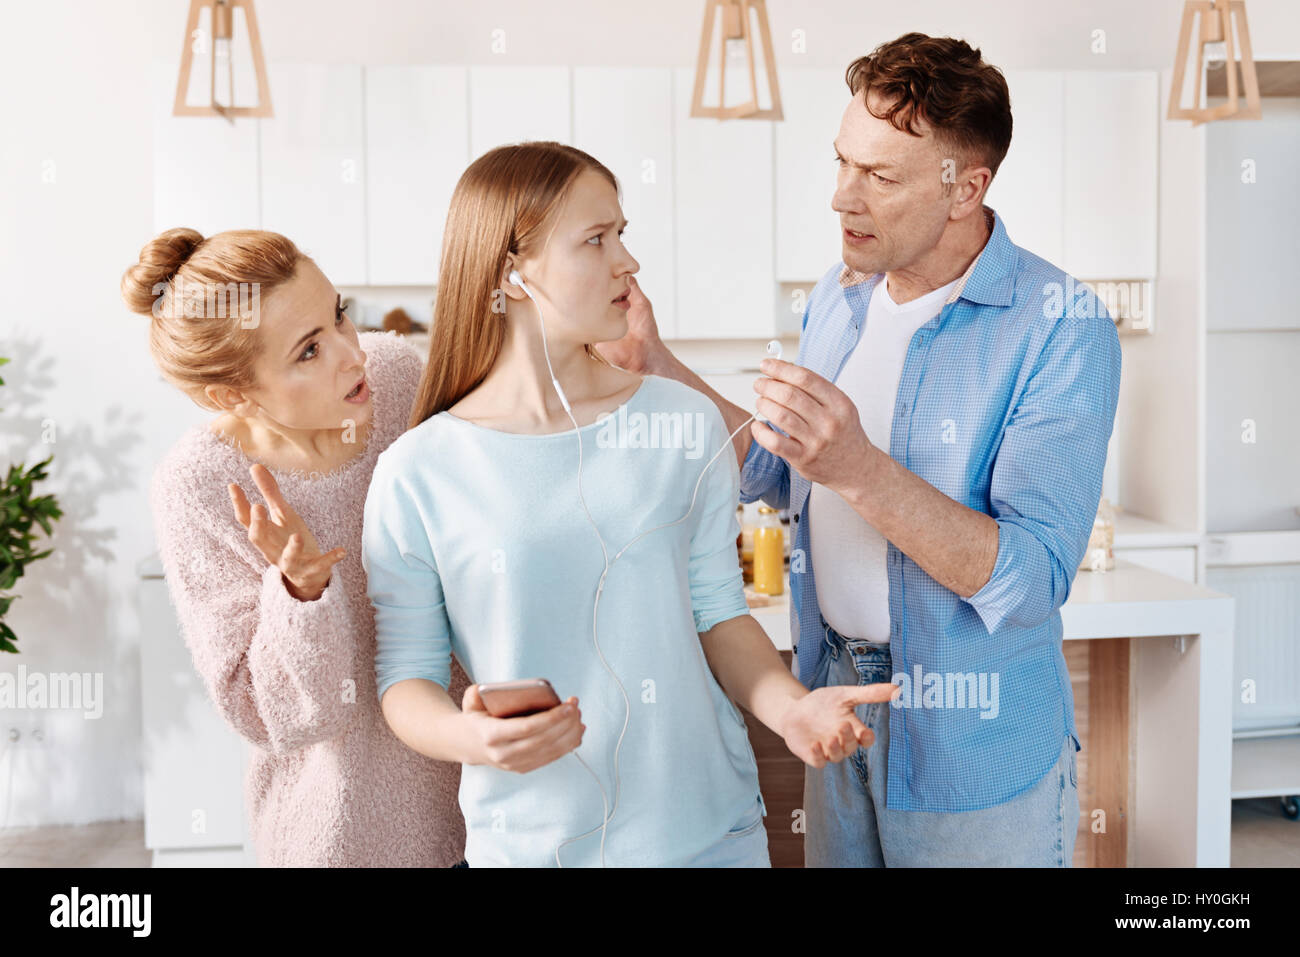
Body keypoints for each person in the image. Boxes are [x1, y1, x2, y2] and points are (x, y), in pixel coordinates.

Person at [597, 33, 1121, 866]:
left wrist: (862, 471)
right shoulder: (840, 299)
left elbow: (1030, 578)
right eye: (842, 162)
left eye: (879, 176)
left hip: (971, 745)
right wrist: (655, 364)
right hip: (834, 702)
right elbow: (776, 469)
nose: (842, 197)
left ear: (966, 188)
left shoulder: (1060, 325)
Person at [362, 141, 899, 868]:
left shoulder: (684, 423)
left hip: (710, 836)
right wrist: (473, 739)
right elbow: (407, 679)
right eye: (596, 239)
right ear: (513, 272)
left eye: (622, 233)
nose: (629, 262)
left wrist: (790, 707)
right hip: (530, 848)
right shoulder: (419, 471)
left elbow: (719, 615)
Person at [128, 227, 469, 866]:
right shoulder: (200, 487)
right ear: (232, 396)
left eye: (340, 315)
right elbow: (270, 717)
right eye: (309, 350)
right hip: (343, 837)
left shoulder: (396, 378)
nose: (351, 354)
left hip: (484, 799)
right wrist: (300, 591)